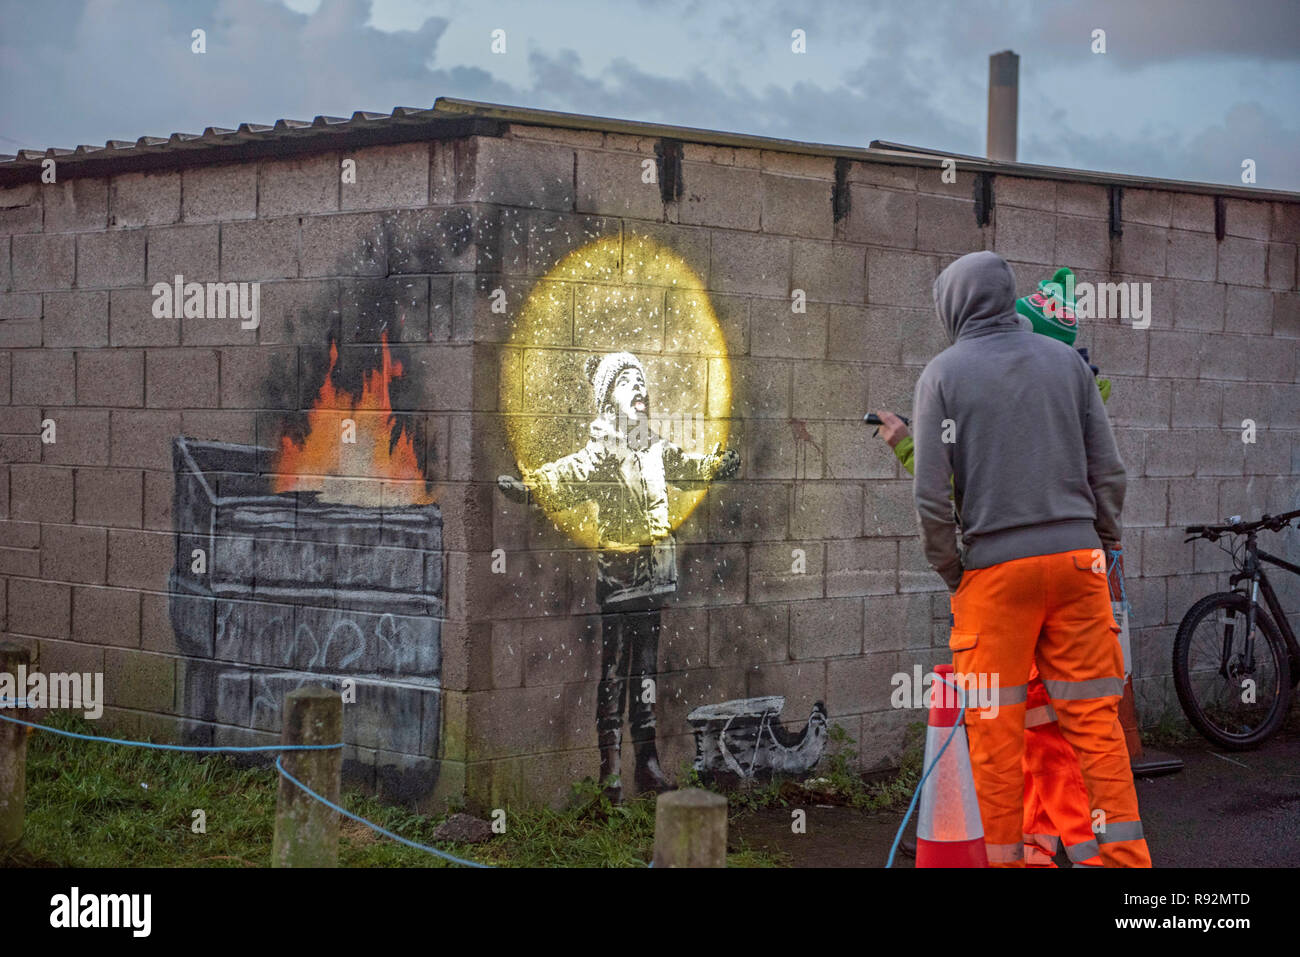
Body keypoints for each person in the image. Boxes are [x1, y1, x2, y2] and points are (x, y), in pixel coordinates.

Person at [909, 251, 1150, 867]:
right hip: (1077, 564)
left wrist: (953, 571)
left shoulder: (943, 375)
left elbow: (932, 497)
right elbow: (1110, 471)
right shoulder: (1066, 363)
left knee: (996, 738)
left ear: (953, 306)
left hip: (994, 575)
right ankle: (1124, 867)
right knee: (1095, 728)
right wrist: (1103, 539)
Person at [498, 351, 740, 802]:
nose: (640, 389)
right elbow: (567, 475)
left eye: (641, 381)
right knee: (613, 677)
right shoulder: (605, 448)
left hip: (655, 581)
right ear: (609, 400)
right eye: (629, 382)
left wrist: (715, 466)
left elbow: (687, 470)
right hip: (621, 580)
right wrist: (530, 487)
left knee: (644, 674)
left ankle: (646, 765)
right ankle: (610, 773)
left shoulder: (654, 446)